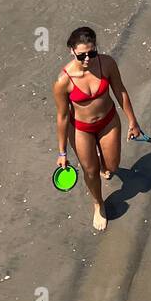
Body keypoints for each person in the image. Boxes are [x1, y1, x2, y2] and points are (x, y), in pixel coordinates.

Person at [53, 26, 142, 231]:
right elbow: (62, 117)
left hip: (108, 121)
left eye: (92, 53)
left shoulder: (107, 64)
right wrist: (61, 152)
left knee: (112, 166)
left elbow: (120, 91)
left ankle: (104, 164)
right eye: (81, 54)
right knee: (90, 171)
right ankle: (98, 203)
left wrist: (133, 122)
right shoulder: (62, 82)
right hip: (81, 129)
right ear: (71, 50)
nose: (87, 59)